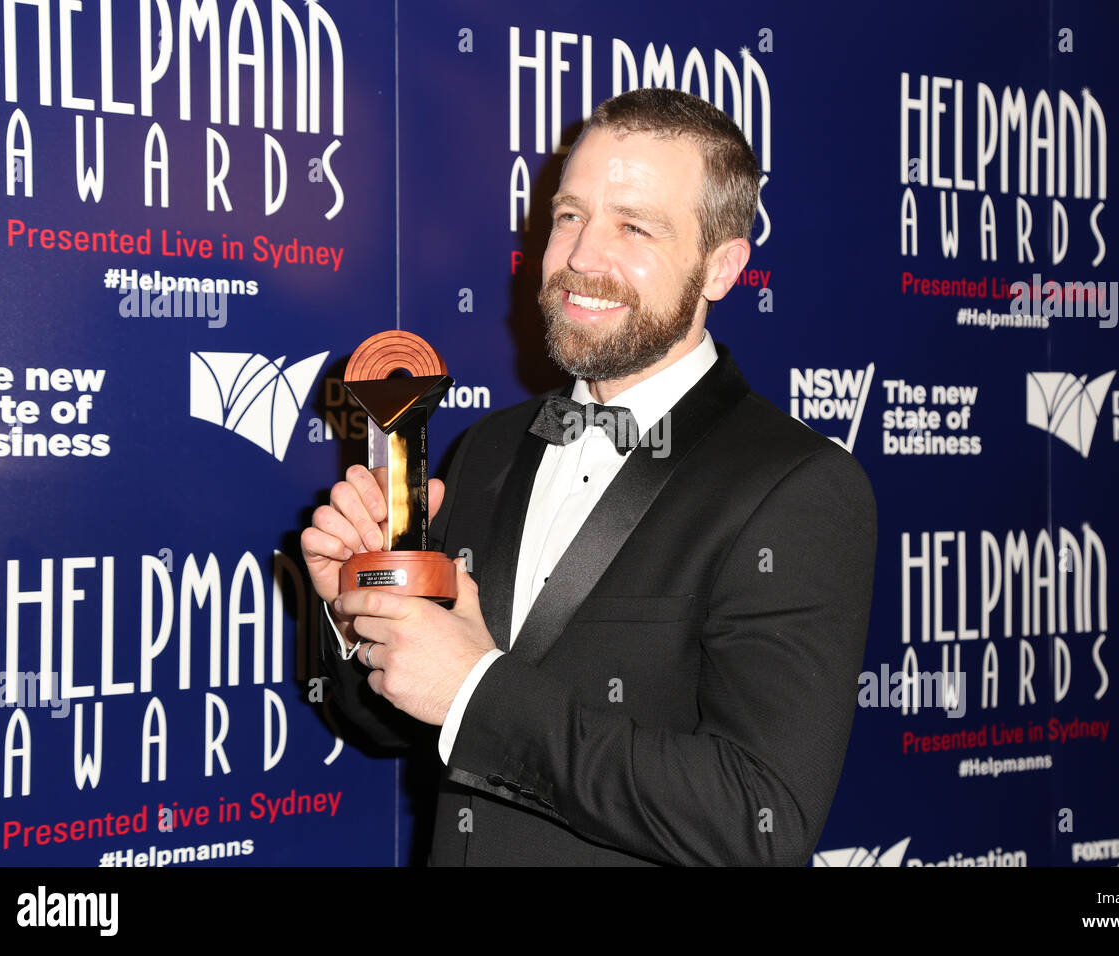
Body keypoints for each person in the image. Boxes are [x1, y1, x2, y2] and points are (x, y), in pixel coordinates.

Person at [301, 87, 876, 866]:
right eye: (570, 215)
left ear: (721, 266)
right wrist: (356, 614)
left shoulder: (795, 487)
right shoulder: (492, 447)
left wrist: (476, 687)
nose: (579, 257)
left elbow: (757, 818)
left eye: (633, 226)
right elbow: (395, 721)